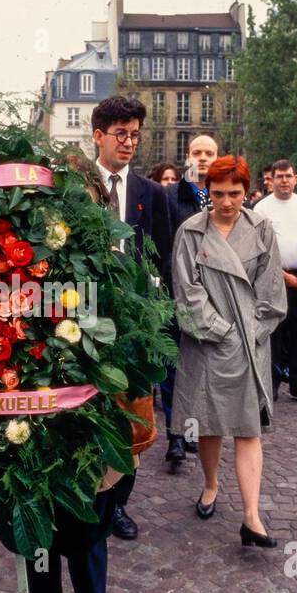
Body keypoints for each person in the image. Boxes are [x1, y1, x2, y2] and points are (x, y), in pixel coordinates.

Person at [25, 155, 130, 593]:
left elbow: (131, 352)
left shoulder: (116, 273)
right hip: (28, 427)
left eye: (82, 206)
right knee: (36, 536)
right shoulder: (20, 270)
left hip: (89, 426)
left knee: (88, 531)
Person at [171, 156, 286, 545]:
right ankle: (209, 484)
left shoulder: (262, 229)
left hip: (250, 344)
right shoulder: (191, 232)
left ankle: (252, 517)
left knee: (249, 429)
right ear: (208, 192)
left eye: (235, 194)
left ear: (247, 191)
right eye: (218, 193)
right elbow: (186, 293)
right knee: (210, 423)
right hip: (208, 343)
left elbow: (272, 292)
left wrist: (250, 332)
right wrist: (220, 330)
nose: (226, 202)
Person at [90, 95, 174, 541]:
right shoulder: (74, 186)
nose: (128, 143)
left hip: (135, 320)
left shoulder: (151, 192)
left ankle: (119, 504)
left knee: (134, 412)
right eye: (120, 134)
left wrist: (156, 315)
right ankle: (88, 496)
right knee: (89, 405)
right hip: (85, 312)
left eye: (135, 135)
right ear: (98, 135)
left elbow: (161, 255)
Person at [162, 133, 217, 467]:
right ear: (187, 156)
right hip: (175, 294)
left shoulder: (223, 195)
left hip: (212, 298)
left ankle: (192, 429)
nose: (203, 158)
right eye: (197, 152)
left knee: (199, 368)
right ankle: (175, 437)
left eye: (209, 152)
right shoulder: (170, 196)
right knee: (172, 367)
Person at [256, 160, 297, 404]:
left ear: (296, 179)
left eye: (288, 176)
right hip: (274, 280)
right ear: (271, 179)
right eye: (279, 176)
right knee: (275, 334)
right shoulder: (262, 208)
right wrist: (283, 277)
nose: (284, 180)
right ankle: (271, 385)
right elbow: (259, 250)